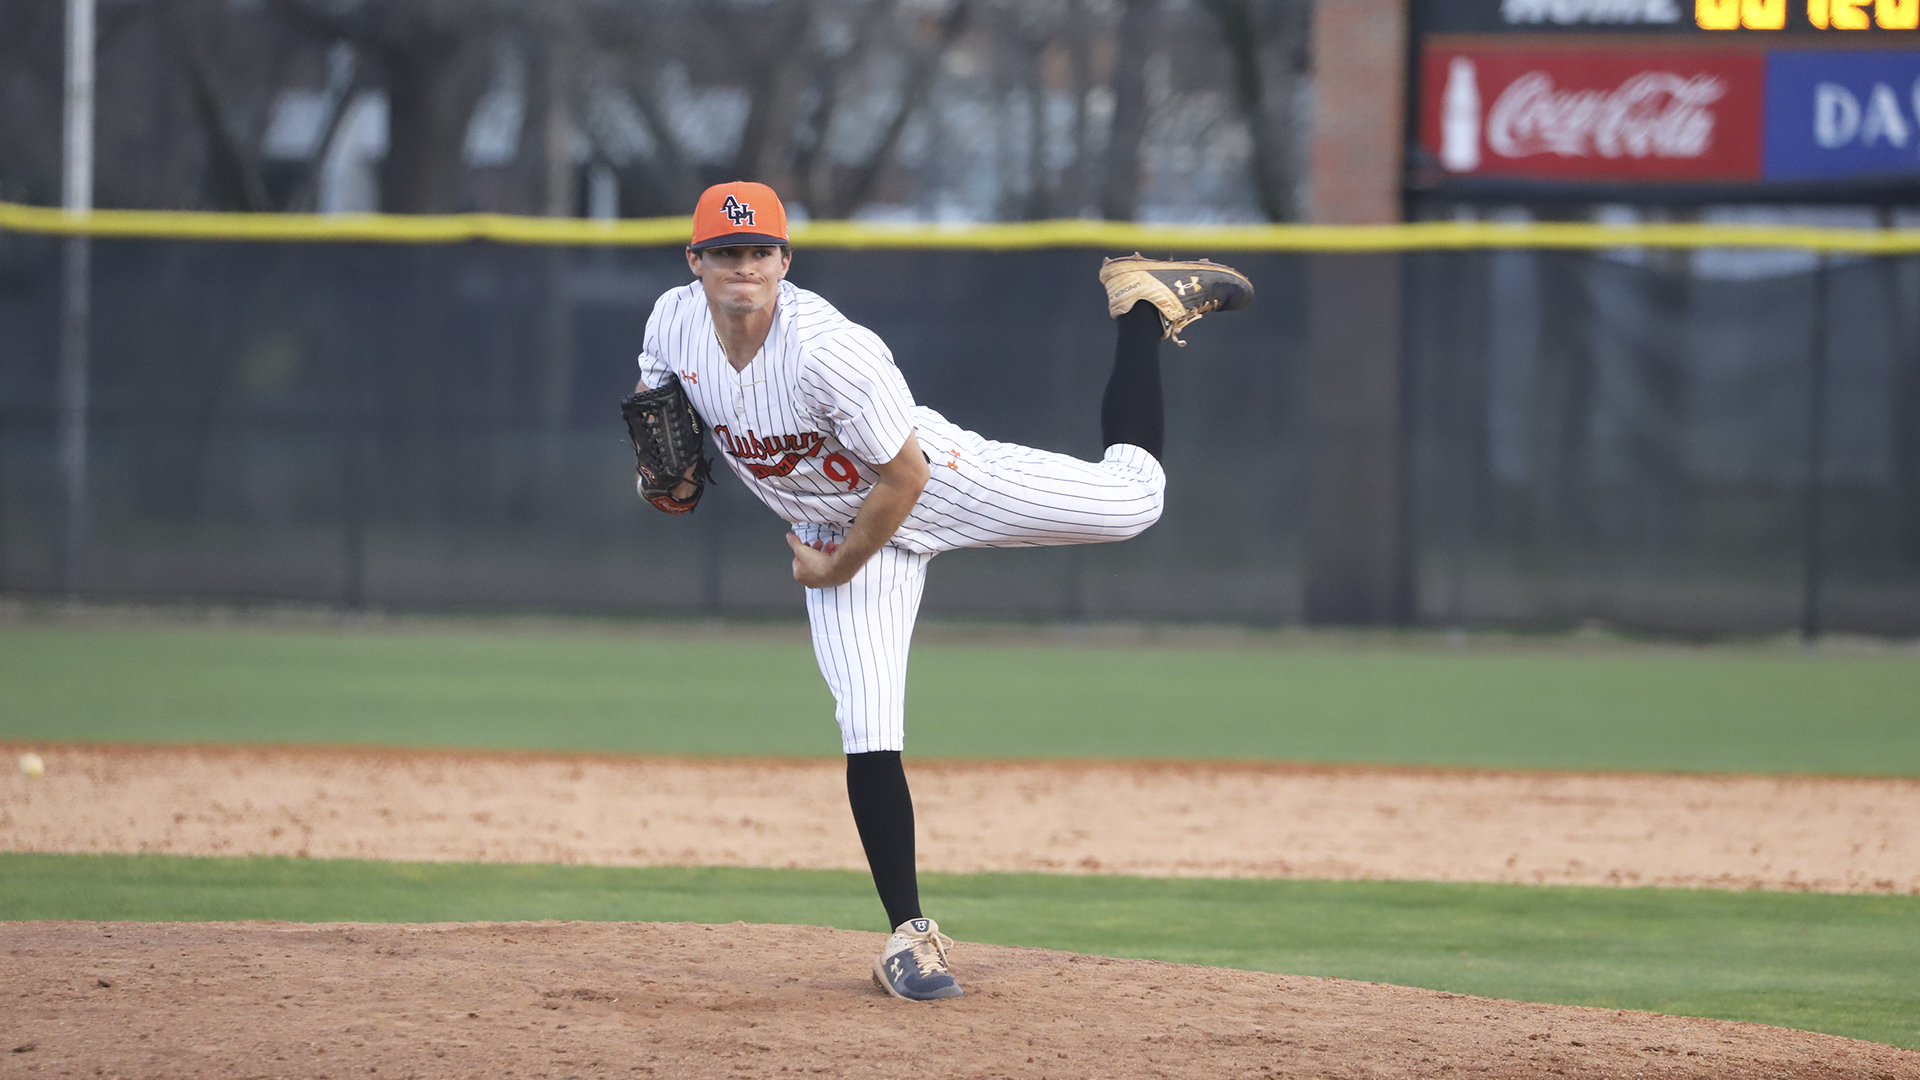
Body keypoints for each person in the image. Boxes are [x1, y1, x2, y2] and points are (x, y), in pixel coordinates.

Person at [633, 181, 1251, 1001]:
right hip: (832, 529)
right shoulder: (671, 324)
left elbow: (905, 475)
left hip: (930, 484)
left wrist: (838, 568)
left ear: (784, 260)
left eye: (757, 252)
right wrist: (659, 479)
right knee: (866, 721)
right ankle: (911, 937)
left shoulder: (830, 351)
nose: (741, 267)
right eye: (724, 252)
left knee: (1138, 501)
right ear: (695, 261)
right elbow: (660, 418)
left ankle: (1141, 304)